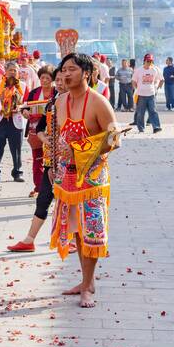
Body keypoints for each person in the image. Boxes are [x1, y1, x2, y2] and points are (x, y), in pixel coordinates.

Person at [48, 54, 117, 307]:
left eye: (72, 70)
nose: (66, 75)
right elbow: (56, 135)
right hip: (67, 175)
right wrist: (52, 164)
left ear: (86, 73)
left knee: (92, 232)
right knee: (76, 229)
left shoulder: (99, 102)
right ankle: (86, 280)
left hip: (93, 177)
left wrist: (81, 150)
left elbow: (114, 140)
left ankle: (88, 284)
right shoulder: (60, 101)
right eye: (63, 70)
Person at [9, 62, 62, 251]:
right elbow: (40, 127)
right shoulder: (52, 103)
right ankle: (29, 240)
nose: (61, 83)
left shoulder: (83, 101)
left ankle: (70, 239)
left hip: (72, 162)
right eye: (61, 78)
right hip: (51, 158)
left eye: (65, 79)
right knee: (44, 198)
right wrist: (43, 137)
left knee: (68, 202)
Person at [0, 60, 28, 184]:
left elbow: (26, 102)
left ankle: (17, 172)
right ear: (5, 71)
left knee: (16, 148)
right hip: (1, 120)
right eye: (10, 70)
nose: (13, 73)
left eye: (15, 70)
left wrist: (18, 108)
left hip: (16, 120)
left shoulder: (23, 86)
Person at [132, 53, 162, 134]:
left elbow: (161, 79)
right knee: (140, 112)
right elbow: (133, 81)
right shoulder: (138, 70)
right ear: (144, 61)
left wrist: (157, 88)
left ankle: (156, 127)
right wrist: (136, 89)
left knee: (153, 111)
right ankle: (141, 128)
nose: (149, 63)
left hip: (151, 94)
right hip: (141, 94)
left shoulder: (154, 70)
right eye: (148, 61)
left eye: (151, 61)